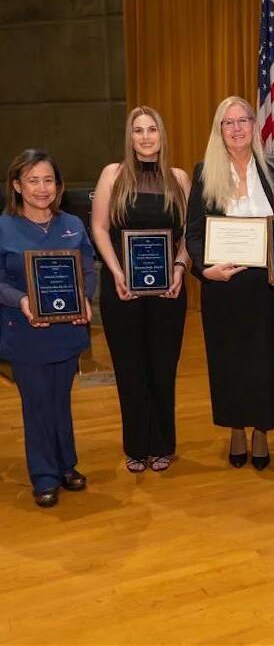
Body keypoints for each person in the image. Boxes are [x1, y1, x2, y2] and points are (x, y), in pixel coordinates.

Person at [185, 96, 274, 469]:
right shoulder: (204, 172)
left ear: (254, 125)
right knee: (229, 362)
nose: (236, 128)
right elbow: (193, 233)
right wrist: (204, 270)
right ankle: (236, 430)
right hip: (223, 286)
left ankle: (262, 430)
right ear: (219, 129)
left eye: (242, 120)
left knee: (266, 361)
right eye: (228, 122)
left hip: (268, 288)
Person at [91, 106, 191, 473]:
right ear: (129, 137)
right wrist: (116, 272)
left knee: (162, 369)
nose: (146, 137)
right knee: (130, 370)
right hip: (122, 290)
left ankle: (162, 444)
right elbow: (100, 228)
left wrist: (179, 267)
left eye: (152, 129)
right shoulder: (112, 175)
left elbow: (189, 235)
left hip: (169, 292)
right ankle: (136, 446)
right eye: (138, 130)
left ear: (162, 135)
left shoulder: (179, 179)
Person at [0, 149, 96, 507]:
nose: (42, 188)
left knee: (60, 401)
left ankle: (66, 465)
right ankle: (43, 475)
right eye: (33, 180)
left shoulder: (72, 224)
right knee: (37, 402)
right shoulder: (3, 227)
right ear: (17, 186)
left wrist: (84, 298)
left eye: (48, 180)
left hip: (66, 331)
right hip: (25, 331)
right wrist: (21, 300)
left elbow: (87, 268)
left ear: (59, 185)